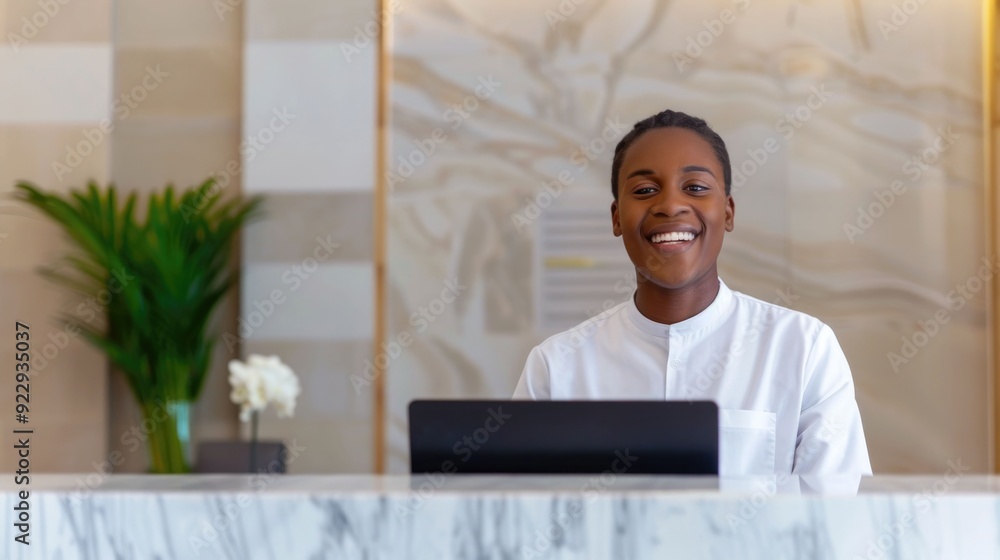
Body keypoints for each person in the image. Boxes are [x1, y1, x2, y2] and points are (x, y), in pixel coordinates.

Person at [513, 110, 871, 476]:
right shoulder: (556, 367)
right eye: (645, 191)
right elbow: (517, 516)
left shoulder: (804, 348)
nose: (670, 205)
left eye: (696, 188)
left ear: (728, 212)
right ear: (617, 217)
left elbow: (840, 517)